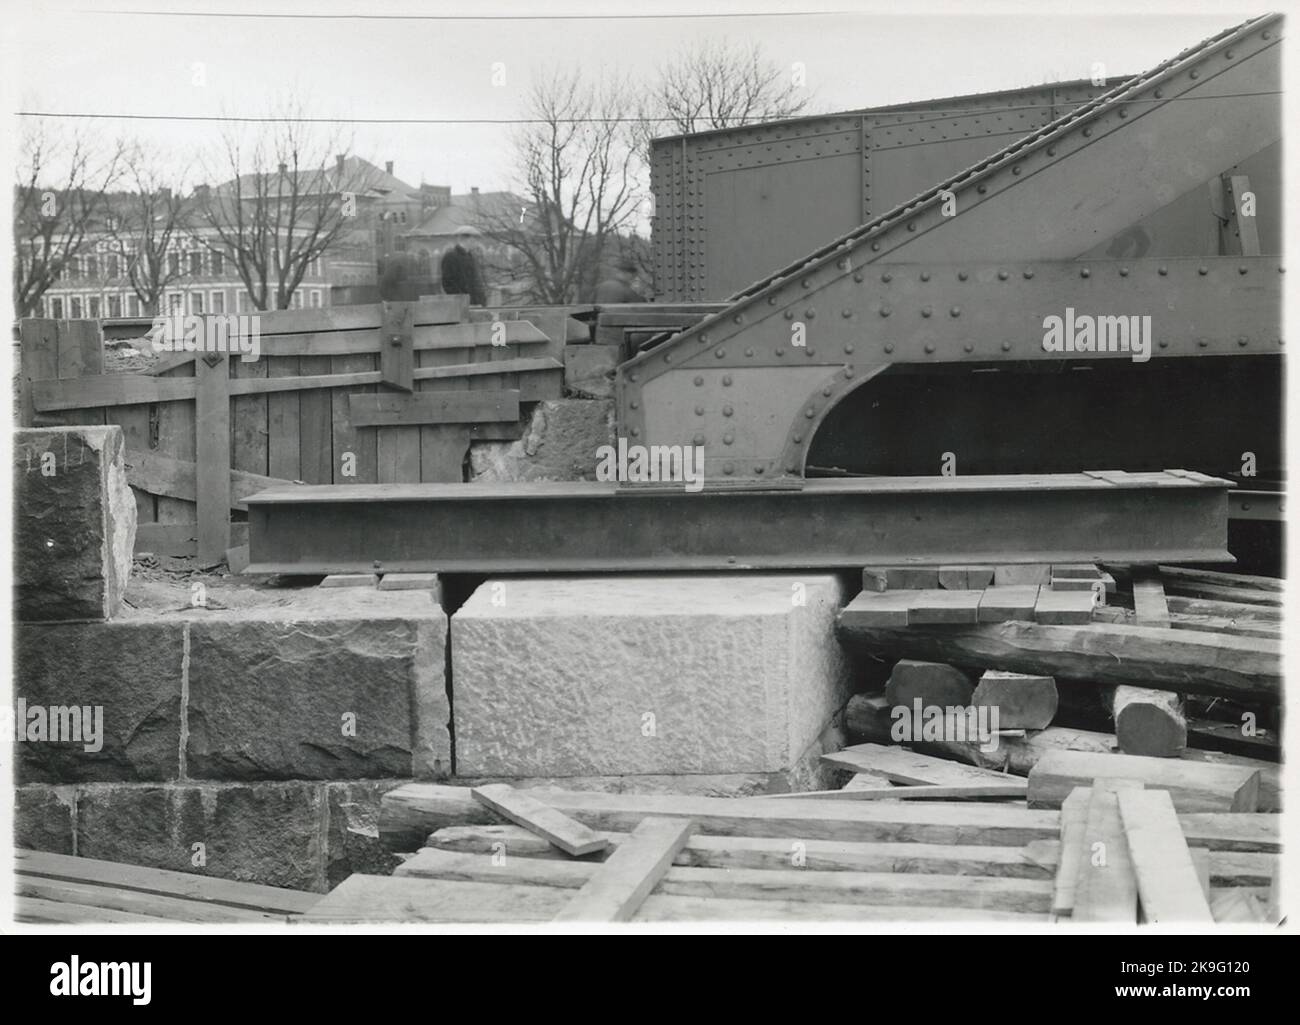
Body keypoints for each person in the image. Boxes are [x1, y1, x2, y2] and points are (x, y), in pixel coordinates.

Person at [440, 230, 487, 306]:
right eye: (475, 239)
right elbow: (447, 282)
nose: (477, 243)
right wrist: (461, 299)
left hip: (475, 303)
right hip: (461, 305)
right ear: (469, 240)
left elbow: (476, 281)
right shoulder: (450, 257)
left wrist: (481, 299)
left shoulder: (471, 257)